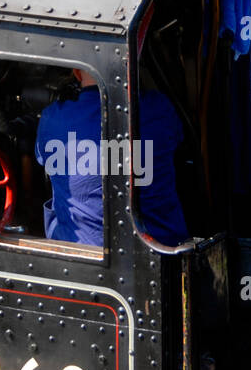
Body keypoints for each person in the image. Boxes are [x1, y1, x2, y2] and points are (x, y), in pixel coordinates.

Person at [35, 69, 188, 246]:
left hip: (77, 254)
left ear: (77, 72)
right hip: (160, 252)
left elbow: (42, 160)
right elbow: (178, 143)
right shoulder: (159, 109)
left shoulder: (52, 118)